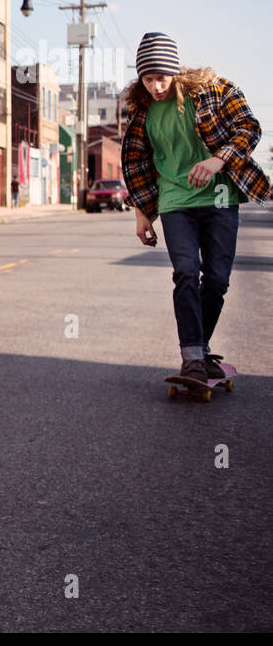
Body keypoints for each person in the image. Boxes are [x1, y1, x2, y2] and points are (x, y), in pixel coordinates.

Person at [121, 32, 271, 387]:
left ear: (175, 71)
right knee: (186, 273)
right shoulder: (140, 110)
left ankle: (200, 352)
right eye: (148, 78)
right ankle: (192, 359)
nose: (156, 86)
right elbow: (136, 159)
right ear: (140, 77)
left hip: (220, 197)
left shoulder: (215, 90)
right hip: (175, 201)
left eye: (161, 77)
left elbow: (249, 128)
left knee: (216, 280)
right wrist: (142, 211)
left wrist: (219, 160)